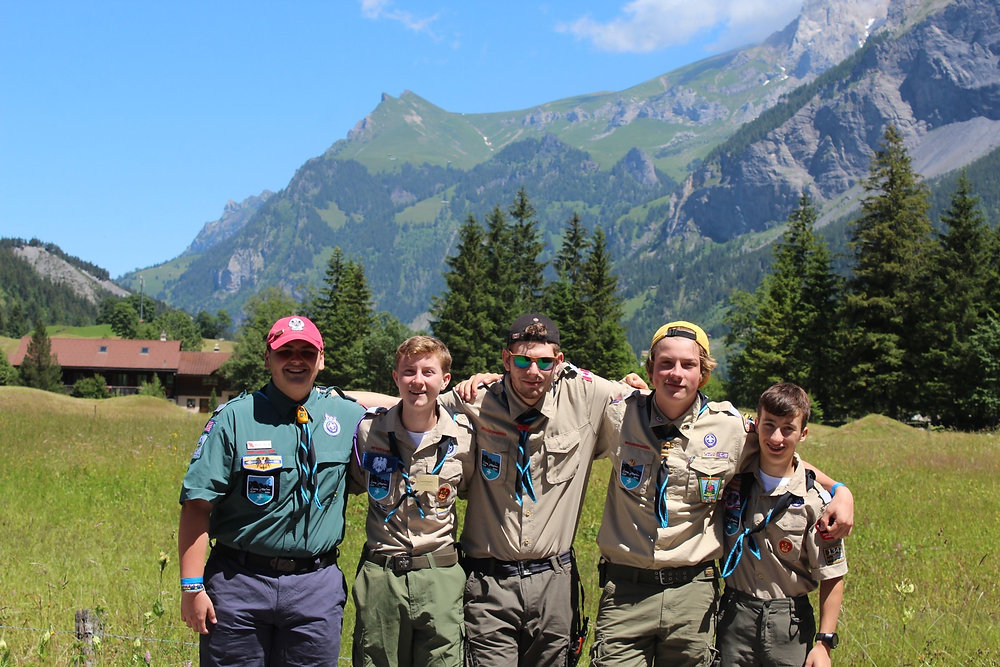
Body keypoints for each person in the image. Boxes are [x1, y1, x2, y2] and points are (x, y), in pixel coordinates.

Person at [590, 321, 854, 667]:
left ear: (703, 374)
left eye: (689, 365)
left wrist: (839, 490)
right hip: (626, 589)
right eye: (666, 363)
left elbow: (782, 455)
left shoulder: (729, 427)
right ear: (651, 368)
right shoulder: (617, 413)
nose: (676, 373)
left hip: (692, 595)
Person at [178, 315, 366, 666]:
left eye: (307, 352)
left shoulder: (347, 416)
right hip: (239, 585)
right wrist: (191, 588)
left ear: (321, 359)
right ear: (268, 358)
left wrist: (477, 386)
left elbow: (410, 401)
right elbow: (196, 505)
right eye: (285, 352)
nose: (297, 360)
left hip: (315, 589)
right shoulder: (235, 418)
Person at [449, 313, 632, 667]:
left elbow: (653, 404)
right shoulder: (476, 400)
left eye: (545, 361)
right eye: (522, 360)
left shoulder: (589, 396)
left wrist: (638, 385)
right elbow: (415, 407)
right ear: (506, 359)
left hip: (553, 583)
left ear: (558, 362)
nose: (533, 371)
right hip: (489, 583)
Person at [349, 335, 475, 667]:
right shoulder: (367, 432)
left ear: (445, 380)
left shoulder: (464, 438)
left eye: (428, 372)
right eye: (408, 372)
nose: (417, 381)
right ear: (396, 377)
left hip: (441, 576)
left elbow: (475, 493)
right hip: (382, 577)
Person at [716, 383, 846, 667]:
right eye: (769, 425)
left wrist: (824, 643)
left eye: (788, 428)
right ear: (755, 425)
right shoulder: (732, 478)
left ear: (803, 433)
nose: (776, 437)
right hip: (734, 615)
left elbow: (833, 573)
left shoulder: (816, 501)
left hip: (790, 623)